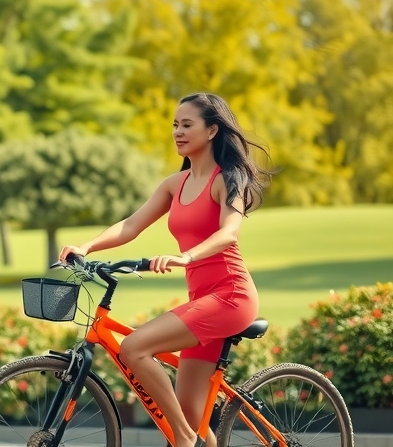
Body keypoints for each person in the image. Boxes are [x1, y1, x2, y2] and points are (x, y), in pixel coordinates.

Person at [59, 92, 272, 447]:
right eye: (175, 125)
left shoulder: (228, 179)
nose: (178, 131)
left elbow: (228, 233)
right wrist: (87, 246)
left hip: (230, 296)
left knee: (135, 347)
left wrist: (187, 257)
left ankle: (184, 441)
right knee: (191, 415)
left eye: (187, 124)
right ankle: (191, 436)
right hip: (202, 299)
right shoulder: (176, 184)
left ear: (212, 130)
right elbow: (131, 225)